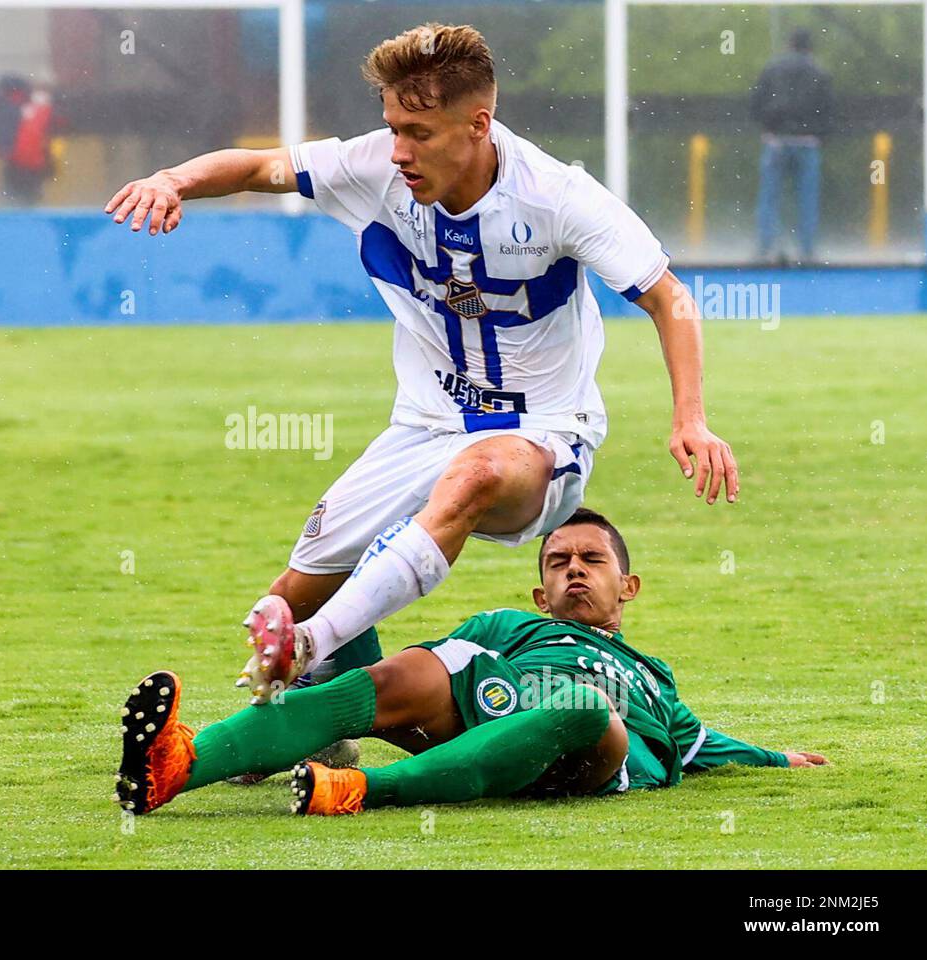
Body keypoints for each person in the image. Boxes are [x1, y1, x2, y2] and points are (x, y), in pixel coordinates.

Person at [105, 23, 739, 717]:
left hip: (546, 433)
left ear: (478, 124)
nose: (399, 150)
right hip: (422, 427)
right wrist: (171, 180)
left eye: (419, 132)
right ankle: (302, 720)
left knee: (474, 477)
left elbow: (668, 297)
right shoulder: (373, 165)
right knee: (288, 595)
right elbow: (259, 168)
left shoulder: (559, 197)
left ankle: (311, 646)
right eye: (392, 127)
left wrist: (691, 417)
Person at [114, 508, 828, 816]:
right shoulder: (512, 625)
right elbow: (432, 682)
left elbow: (709, 747)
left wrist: (779, 761)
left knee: (582, 707)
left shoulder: (652, 677)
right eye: (558, 562)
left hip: (584, 762)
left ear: (627, 586)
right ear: (539, 588)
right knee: (419, 669)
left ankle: (363, 789)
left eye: (592, 561)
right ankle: (174, 768)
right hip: (493, 717)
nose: (574, 570)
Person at [750, 28, 833, 264]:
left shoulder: (773, 69)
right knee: (807, 198)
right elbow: (827, 110)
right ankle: (807, 250)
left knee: (769, 196)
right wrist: (819, 134)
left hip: (776, 140)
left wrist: (769, 126)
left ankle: (766, 248)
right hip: (808, 141)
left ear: (789, 44)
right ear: (810, 47)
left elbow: (756, 104)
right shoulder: (820, 72)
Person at [0, 75, 61, 205]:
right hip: (30, 166)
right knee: (27, 200)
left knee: (13, 201)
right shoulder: (36, 108)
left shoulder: (13, 106)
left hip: (18, 164)